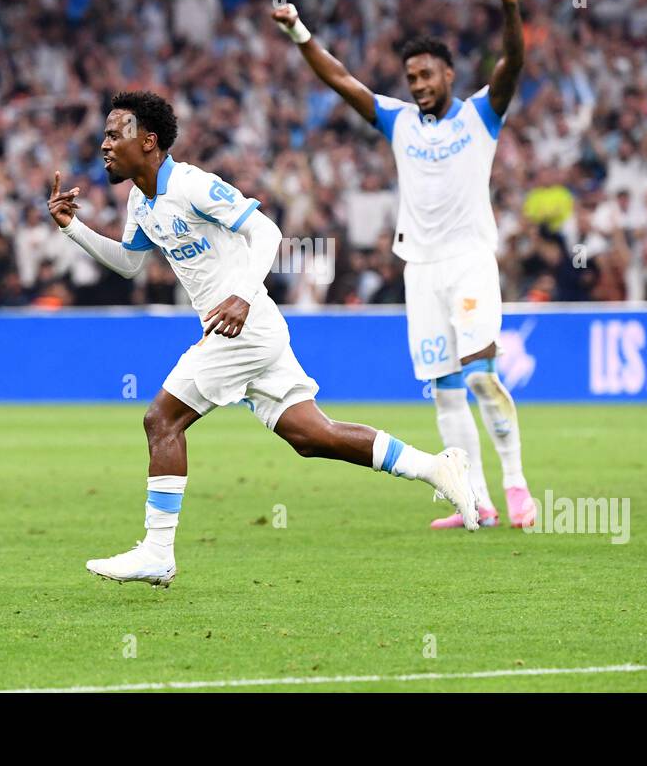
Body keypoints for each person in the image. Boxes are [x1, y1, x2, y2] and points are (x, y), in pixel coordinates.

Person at [49, 91, 477, 587]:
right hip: (247, 328)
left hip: (243, 326)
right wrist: (73, 228)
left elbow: (268, 232)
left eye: (113, 134)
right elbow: (128, 262)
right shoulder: (140, 201)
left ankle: (157, 551)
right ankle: (436, 468)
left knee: (160, 419)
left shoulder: (193, 185)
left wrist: (243, 295)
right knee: (312, 436)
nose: (103, 145)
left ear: (148, 141)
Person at [271, 0, 536, 530]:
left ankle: (517, 488)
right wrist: (299, 31)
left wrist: (510, 9)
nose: (416, 85)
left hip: (468, 261)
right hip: (419, 269)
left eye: (425, 75)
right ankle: (478, 504)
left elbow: (512, 63)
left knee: (482, 376)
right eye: (410, 77)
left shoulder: (481, 113)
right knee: (444, 392)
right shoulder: (398, 122)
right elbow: (342, 81)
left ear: (449, 73)